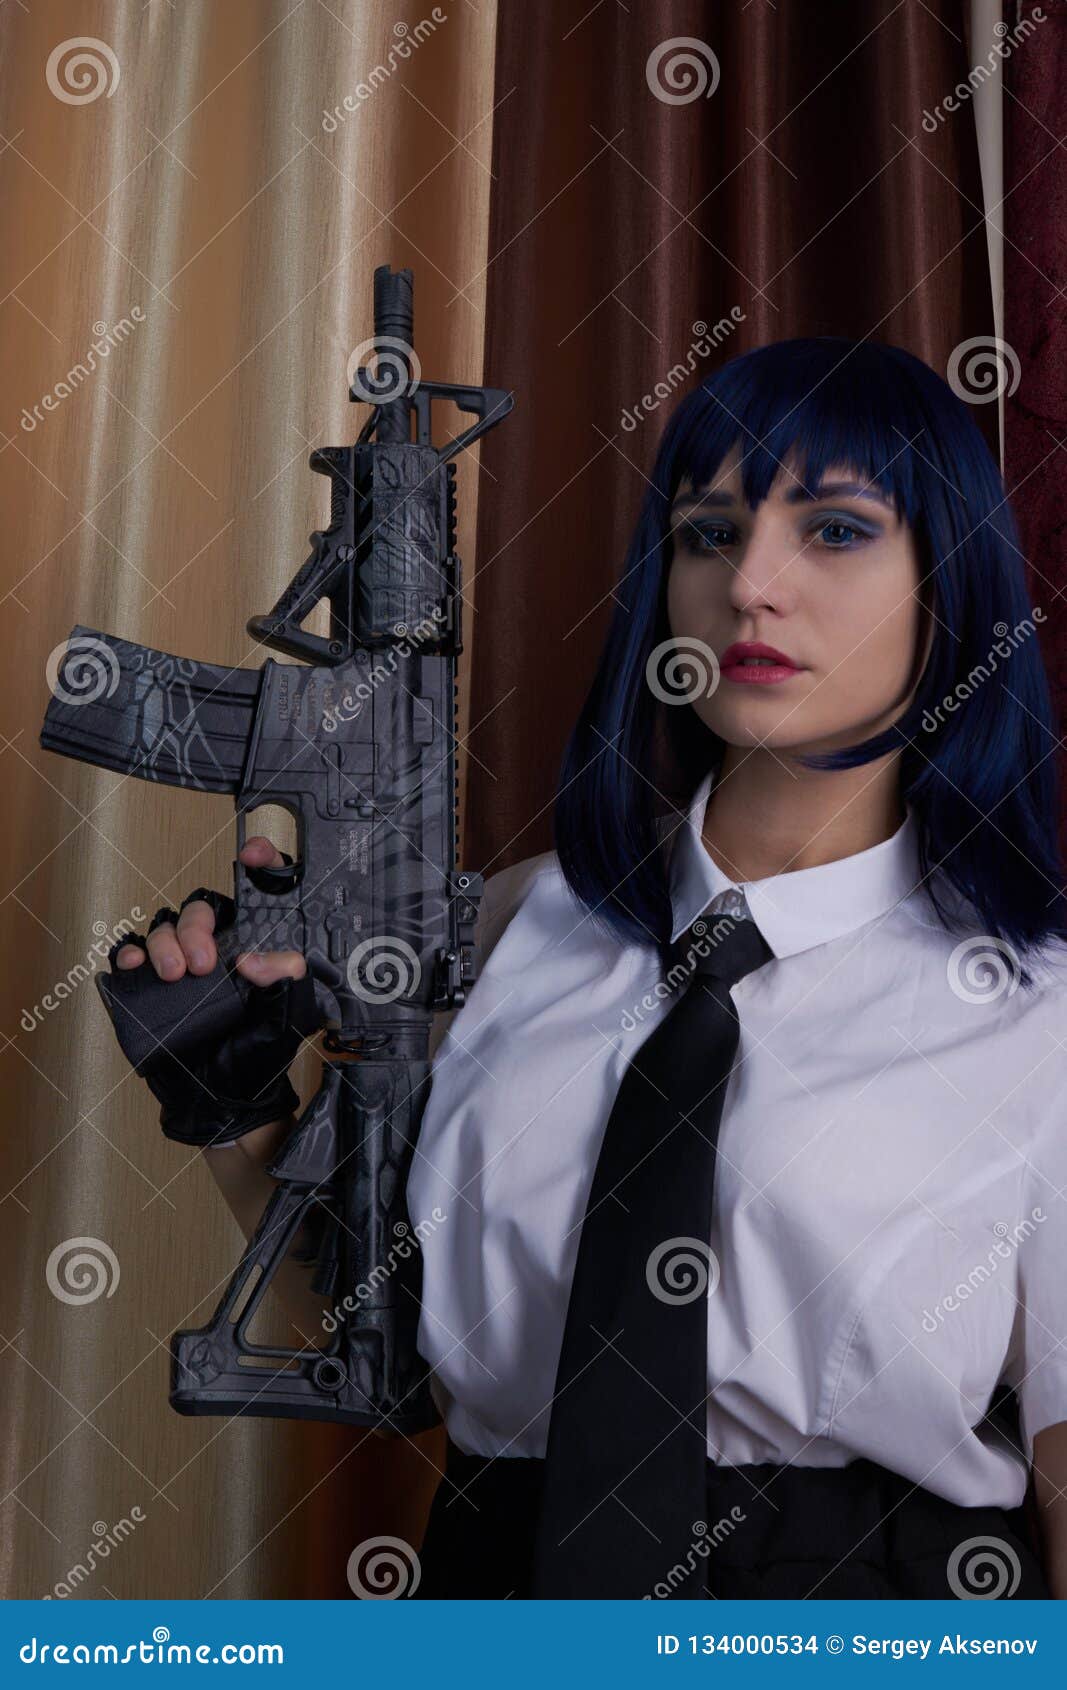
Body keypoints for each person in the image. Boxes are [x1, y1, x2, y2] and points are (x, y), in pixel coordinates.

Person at [108, 337, 1067, 1600]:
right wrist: (230, 1103)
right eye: (707, 534)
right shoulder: (514, 929)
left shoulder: (1035, 1015)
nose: (750, 587)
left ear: (949, 583)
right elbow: (381, 1360)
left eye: (834, 531)